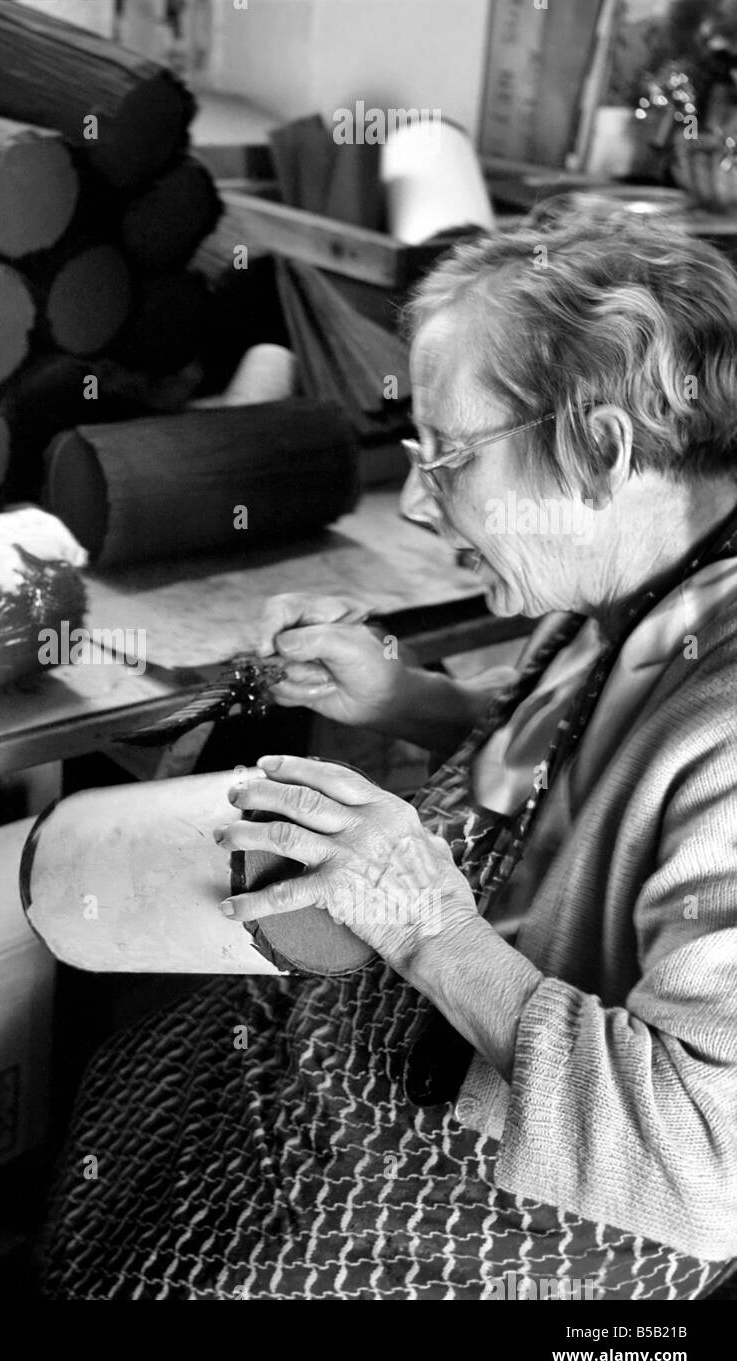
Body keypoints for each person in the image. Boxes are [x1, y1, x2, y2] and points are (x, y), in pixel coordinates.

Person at [39, 203, 737, 1299]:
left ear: (599, 452)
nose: (417, 500)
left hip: (503, 1226)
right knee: (135, 1087)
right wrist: (405, 698)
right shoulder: (641, 580)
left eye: (449, 454)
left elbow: (703, 1166)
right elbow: (586, 797)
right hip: (363, 1074)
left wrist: (427, 926)